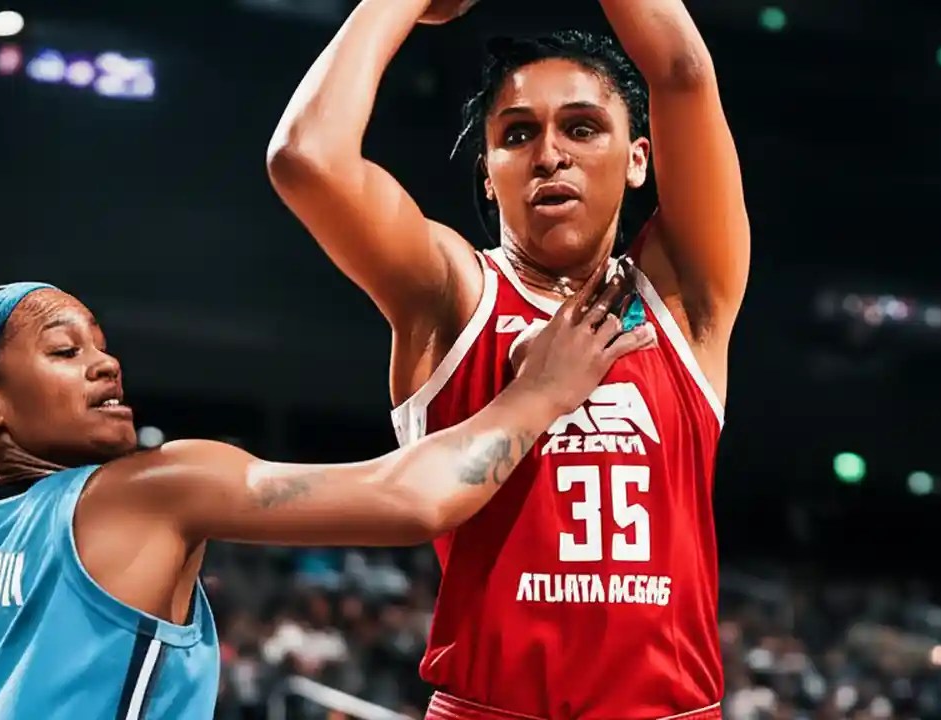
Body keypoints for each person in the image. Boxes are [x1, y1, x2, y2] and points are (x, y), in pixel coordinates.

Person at [266, 0, 750, 717]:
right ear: (490, 174)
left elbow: (681, 70)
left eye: (582, 128)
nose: (550, 153)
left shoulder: (682, 299)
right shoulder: (454, 296)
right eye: (518, 134)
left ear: (639, 158)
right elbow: (306, 159)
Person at [0, 278, 652, 720]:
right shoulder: (144, 491)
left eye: (99, 343)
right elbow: (413, 497)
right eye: (66, 351)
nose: (106, 364)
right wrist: (543, 391)